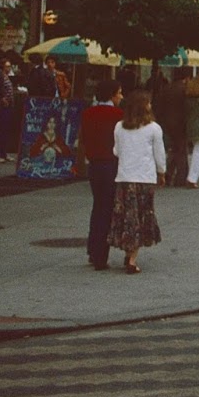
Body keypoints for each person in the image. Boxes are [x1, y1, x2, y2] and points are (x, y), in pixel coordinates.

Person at [108, 89, 166, 274]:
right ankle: (132, 259)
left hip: (124, 177)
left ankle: (128, 250)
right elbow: (159, 154)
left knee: (126, 217)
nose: (150, 105)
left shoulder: (119, 127)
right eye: (148, 102)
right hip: (144, 178)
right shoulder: (154, 129)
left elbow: (116, 151)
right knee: (140, 217)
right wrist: (161, 172)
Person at [80, 78, 124, 269]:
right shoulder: (118, 115)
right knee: (107, 209)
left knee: (98, 206)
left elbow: (83, 138)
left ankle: (93, 248)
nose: (121, 96)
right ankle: (100, 254)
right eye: (119, 93)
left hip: (94, 164)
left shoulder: (88, 113)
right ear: (112, 95)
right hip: (111, 164)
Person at [154, 71, 188, 186]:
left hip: (167, 123)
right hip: (180, 124)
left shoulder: (166, 88)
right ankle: (180, 178)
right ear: (186, 78)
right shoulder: (185, 90)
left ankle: (168, 174)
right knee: (181, 151)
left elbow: (159, 106)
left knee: (174, 150)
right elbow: (186, 108)